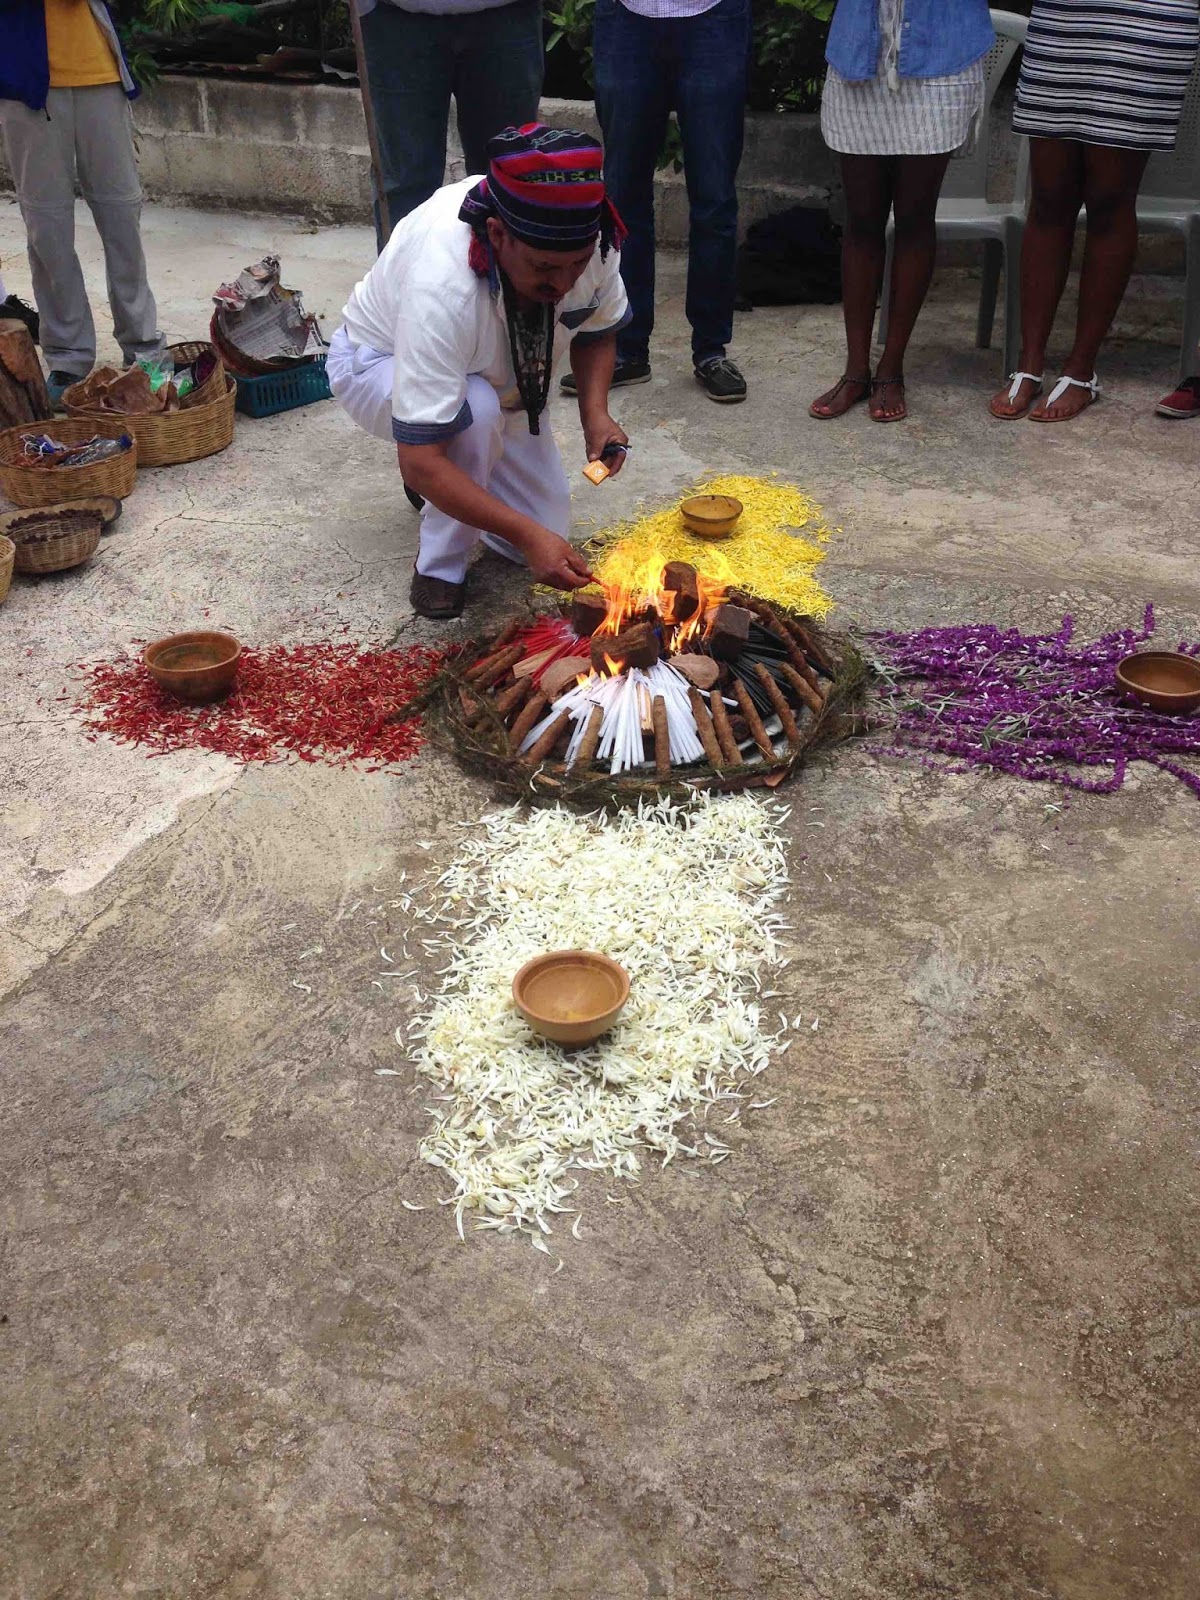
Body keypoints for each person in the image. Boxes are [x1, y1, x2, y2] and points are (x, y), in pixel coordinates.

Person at [328, 124, 632, 622]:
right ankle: (439, 568)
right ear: (496, 234)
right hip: (377, 364)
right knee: (475, 418)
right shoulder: (443, 286)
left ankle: (460, 474)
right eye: (545, 269)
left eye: (574, 266)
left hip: (502, 380)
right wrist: (527, 535)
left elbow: (597, 327)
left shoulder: (592, 244)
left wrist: (596, 415)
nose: (563, 283)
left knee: (545, 525)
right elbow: (420, 462)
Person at [991, 0, 1200, 423]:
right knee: (1048, 197)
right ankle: (1029, 364)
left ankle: (1081, 370)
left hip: (1148, 22)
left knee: (1110, 200)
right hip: (1064, 21)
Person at [810, 0, 995, 423]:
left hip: (942, 56)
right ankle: (855, 370)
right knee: (861, 220)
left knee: (914, 219)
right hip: (859, 54)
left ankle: (891, 368)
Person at [562, 0, 752, 404]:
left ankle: (711, 351)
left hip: (714, 14)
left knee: (715, 198)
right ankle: (627, 349)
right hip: (626, 16)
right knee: (622, 198)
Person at [0, 0, 166, 407]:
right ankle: (68, 355)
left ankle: (144, 345)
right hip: (27, 86)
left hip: (102, 75)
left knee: (122, 214)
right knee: (47, 227)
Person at [355, 0, 544, 249]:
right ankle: (402, 286)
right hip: (394, 17)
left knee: (508, 178)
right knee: (403, 184)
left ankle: (503, 286)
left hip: (509, 14)